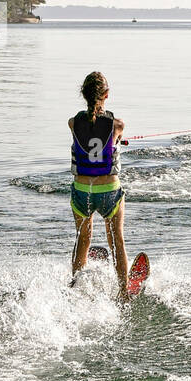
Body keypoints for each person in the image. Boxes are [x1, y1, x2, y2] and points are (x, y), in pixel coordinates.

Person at [69, 71, 129, 299]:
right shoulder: (118, 125)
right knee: (116, 240)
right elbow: (110, 137)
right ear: (107, 94)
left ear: (83, 94)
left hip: (82, 192)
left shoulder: (73, 123)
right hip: (109, 192)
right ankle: (123, 293)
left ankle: (75, 287)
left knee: (82, 239)